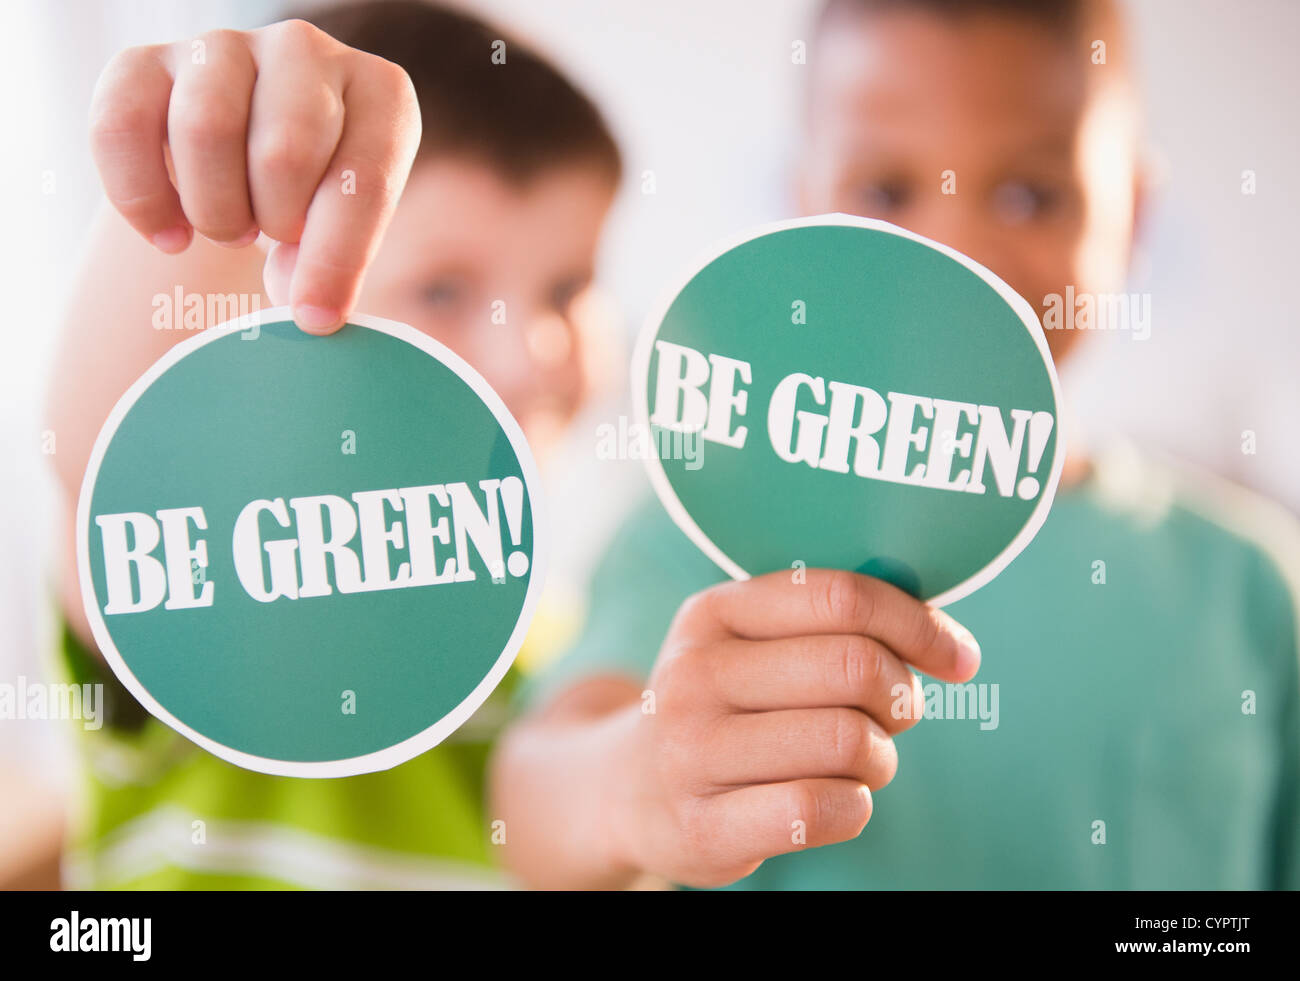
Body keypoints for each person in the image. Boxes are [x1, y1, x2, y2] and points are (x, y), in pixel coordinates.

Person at [490, 0, 1300, 889]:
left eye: (1030, 194)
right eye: (884, 190)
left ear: (1133, 218)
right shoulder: (710, 529)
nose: (953, 250)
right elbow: (532, 795)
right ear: (805, 203)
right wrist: (629, 787)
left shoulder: (1252, 586)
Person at [42, 0, 621, 888]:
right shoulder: (235, 582)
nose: (528, 355)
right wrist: (208, 166)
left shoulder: (568, 659)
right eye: (440, 289)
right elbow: (104, 467)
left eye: (567, 287)